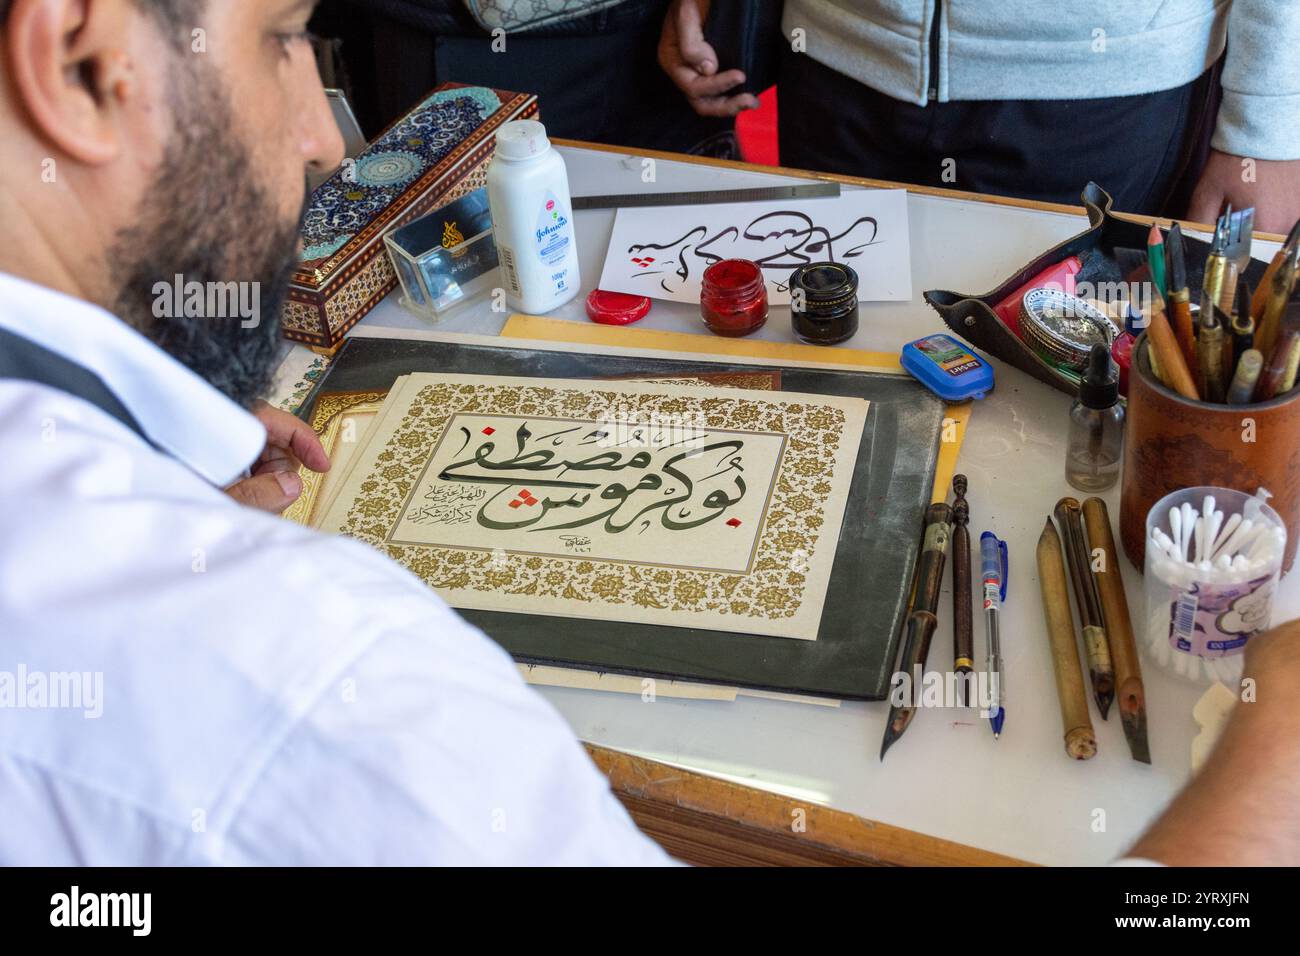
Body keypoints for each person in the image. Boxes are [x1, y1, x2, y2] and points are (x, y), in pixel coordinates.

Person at [0, 0, 671, 866]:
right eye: (281, 39)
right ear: (78, 68)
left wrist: (146, 465)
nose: (324, 141)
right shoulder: (331, 687)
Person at [660, 0, 1300, 233]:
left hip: (1104, 93)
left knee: (1070, 393)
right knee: (829, 369)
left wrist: (1267, 128)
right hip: (837, 61)